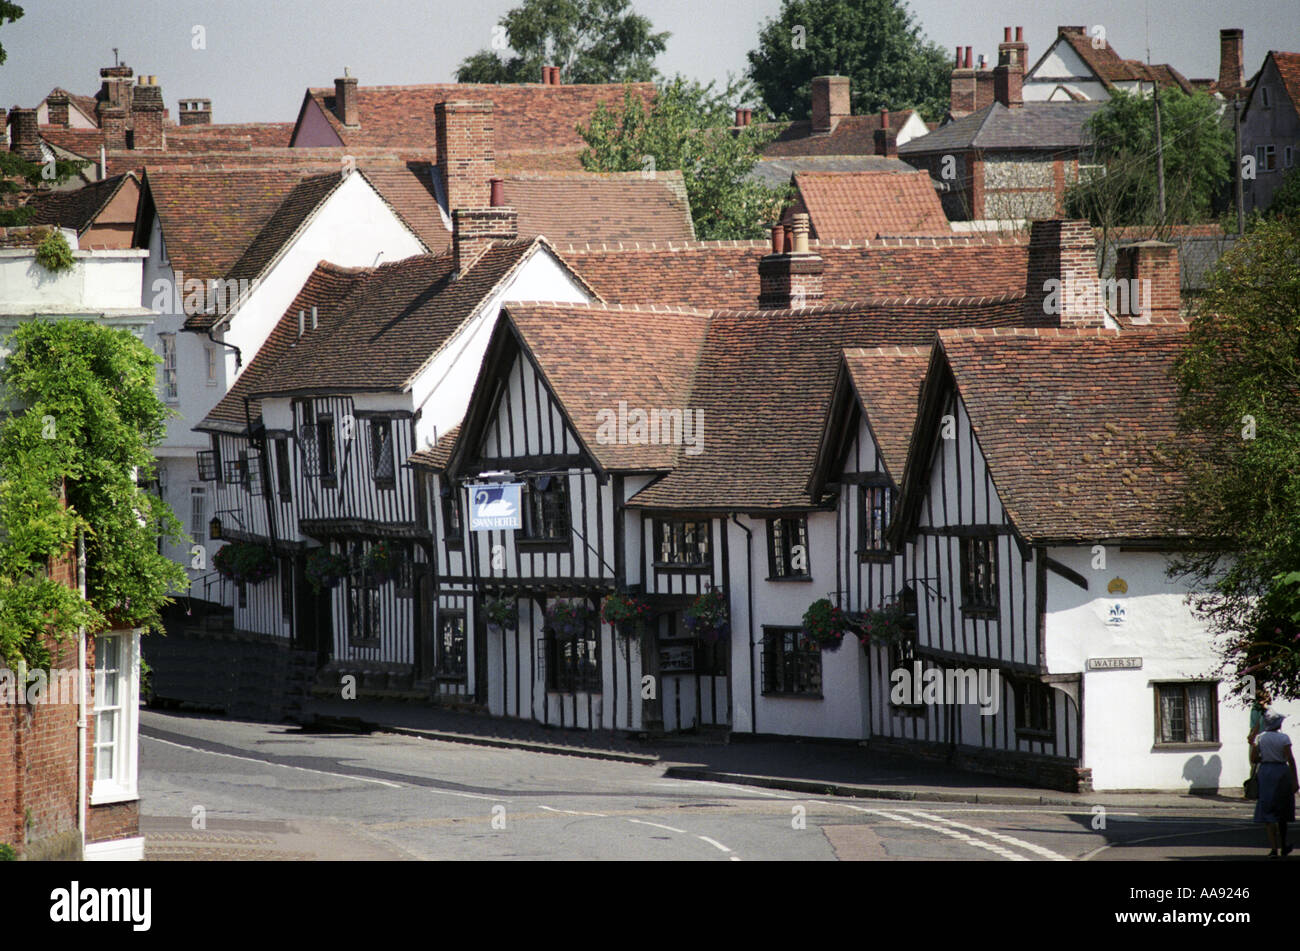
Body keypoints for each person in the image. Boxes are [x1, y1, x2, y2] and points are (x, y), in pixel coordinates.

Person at [1253, 711, 1298, 858]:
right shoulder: (1284, 738)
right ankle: (1284, 844)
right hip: (1281, 771)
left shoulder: (1260, 738)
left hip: (1266, 772)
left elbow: (1254, 758)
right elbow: (1290, 759)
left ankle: (1273, 848)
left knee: (1268, 808)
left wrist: (1265, 756)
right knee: (1282, 809)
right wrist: (1295, 780)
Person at [1247, 688, 1273, 798]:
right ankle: (1258, 789)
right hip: (1262, 737)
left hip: (1260, 738)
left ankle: (1256, 789)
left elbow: (1256, 725)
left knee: (1255, 764)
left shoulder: (1260, 709)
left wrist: (1252, 736)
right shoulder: (1265, 710)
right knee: (1256, 764)